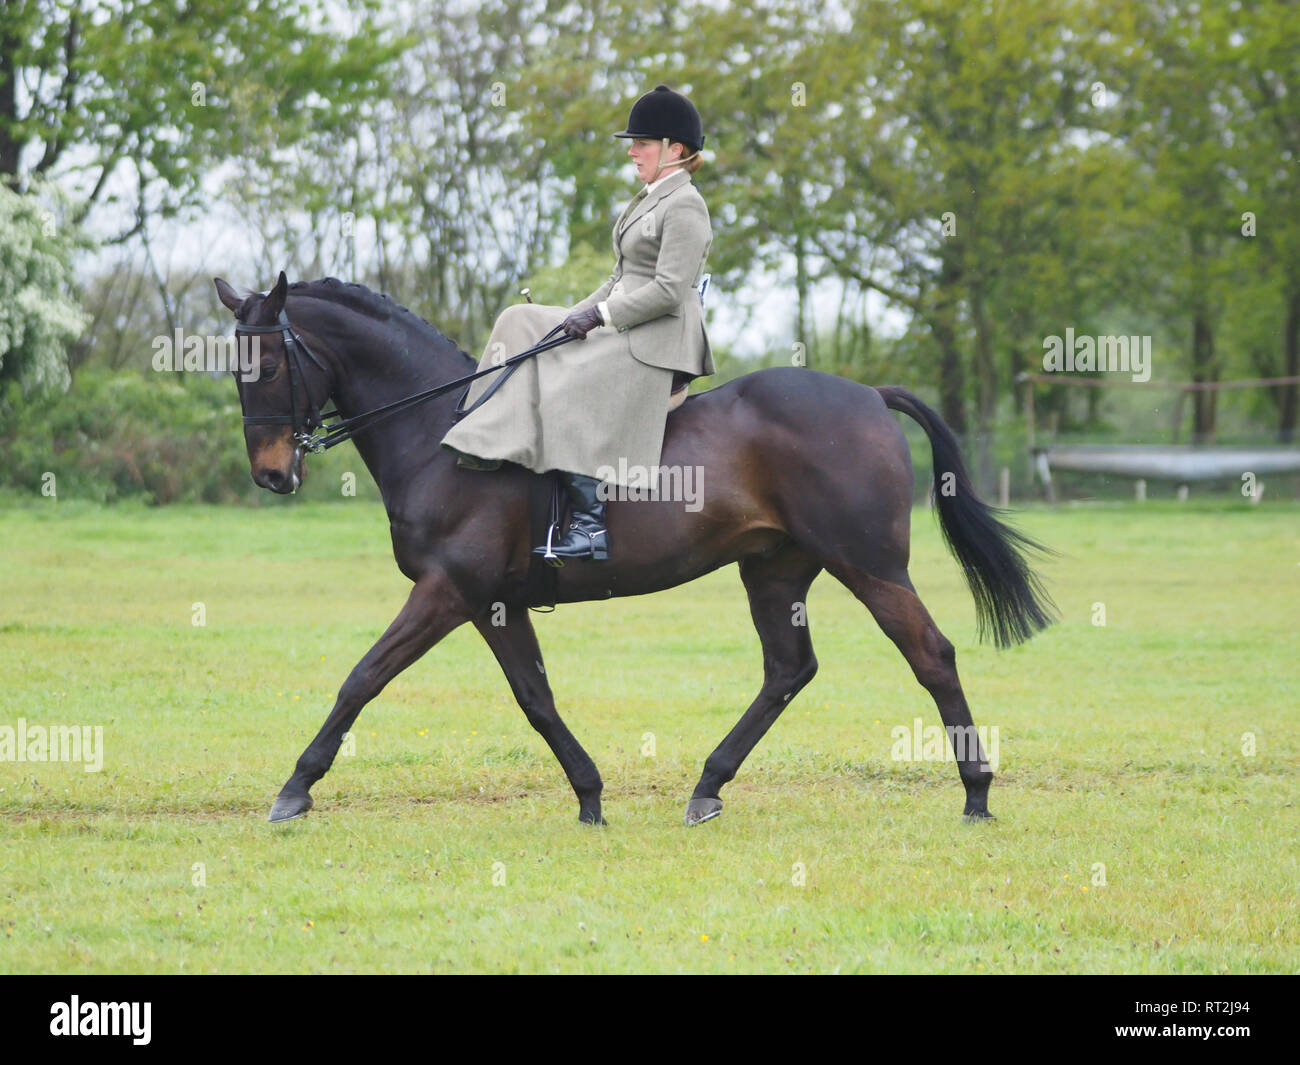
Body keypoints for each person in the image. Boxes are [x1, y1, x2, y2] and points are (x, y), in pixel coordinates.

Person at [440, 84, 714, 563]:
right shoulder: (647, 198)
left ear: (676, 150)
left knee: (565, 381)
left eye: (642, 143)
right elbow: (618, 278)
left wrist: (601, 316)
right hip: (627, 323)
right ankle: (480, 436)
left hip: (660, 339)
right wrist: (571, 315)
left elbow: (669, 290)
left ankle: (589, 526)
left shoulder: (685, 204)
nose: (631, 151)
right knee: (521, 320)